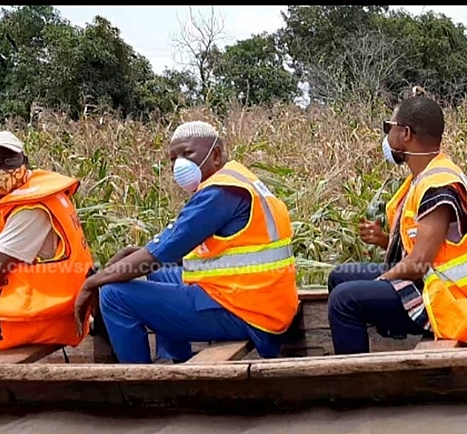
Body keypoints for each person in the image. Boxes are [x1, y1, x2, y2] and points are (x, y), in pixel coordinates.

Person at [74, 120, 299, 363]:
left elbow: (159, 253)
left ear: (215, 154)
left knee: (113, 294)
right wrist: (136, 252)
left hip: (248, 312)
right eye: (173, 158)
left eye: (188, 153)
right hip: (261, 298)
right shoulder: (239, 179)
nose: (180, 163)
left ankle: (139, 386)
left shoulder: (219, 193)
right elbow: (175, 249)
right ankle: (174, 360)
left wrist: (91, 284)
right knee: (159, 274)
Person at [327, 96, 467, 355]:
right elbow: (430, 247)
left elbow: (419, 261)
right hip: (434, 279)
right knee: (339, 276)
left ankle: (360, 386)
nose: (387, 137)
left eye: (390, 128)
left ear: (406, 133)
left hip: (461, 298)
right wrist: (383, 239)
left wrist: (382, 279)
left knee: (344, 300)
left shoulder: (438, 185)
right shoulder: (427, 175)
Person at [0, 130, 93, 351]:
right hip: (24, 308)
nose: (1, 170)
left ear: (24, 161)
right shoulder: (3, 201)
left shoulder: (32, 208)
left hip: (38, 317)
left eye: (10, 161)